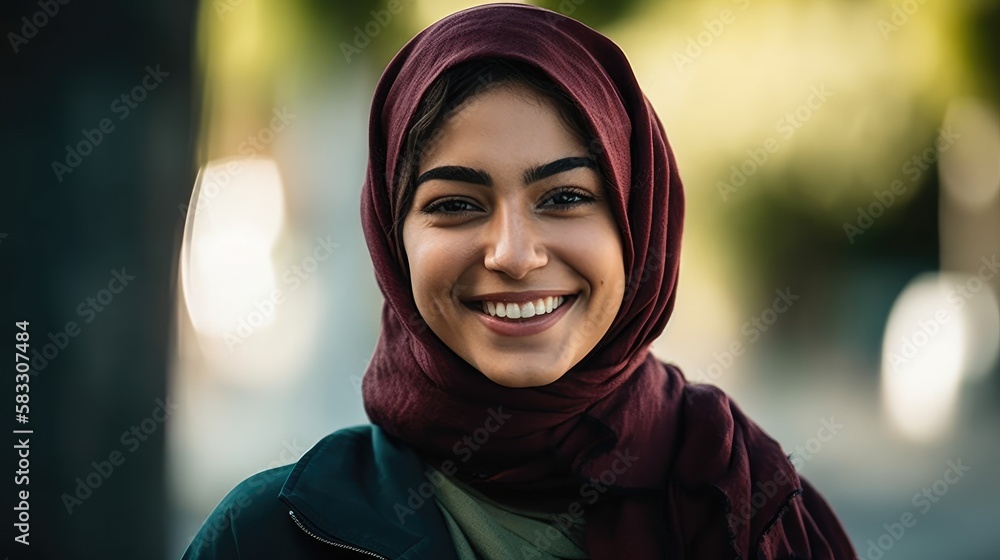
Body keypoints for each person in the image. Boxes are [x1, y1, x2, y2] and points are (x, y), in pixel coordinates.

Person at [183, 4, 857, 559]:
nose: (512, 254)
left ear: (638, 222)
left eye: (564, 198)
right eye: (454, 204)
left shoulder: (747, 497)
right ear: (393, 241)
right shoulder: (272, 537)